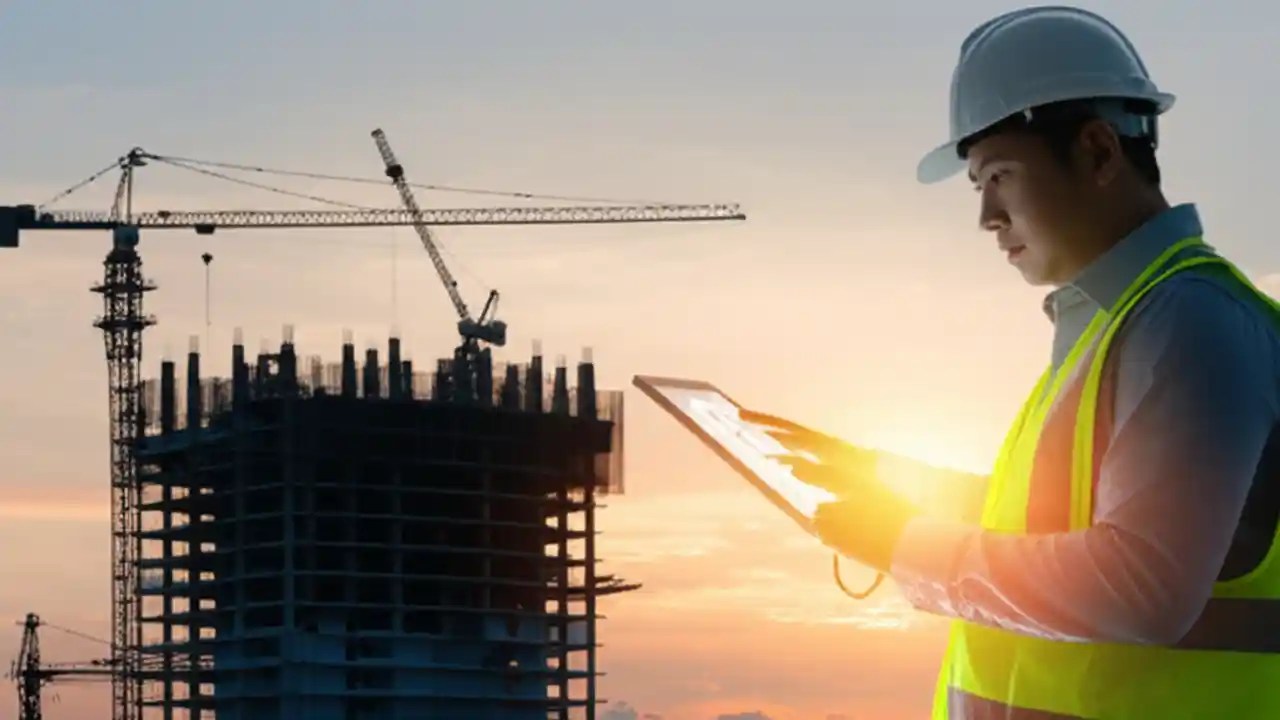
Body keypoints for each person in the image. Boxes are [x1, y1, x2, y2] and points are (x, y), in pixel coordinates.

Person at [747, 6, 1280, 719]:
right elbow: (1057, 516)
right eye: (979, 187)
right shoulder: (1123, 326)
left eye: (999, 176)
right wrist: (882, 480)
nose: (987, 218)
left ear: (1096, 153)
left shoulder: (1193, 322)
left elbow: (1142, 588)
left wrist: (905, 545)